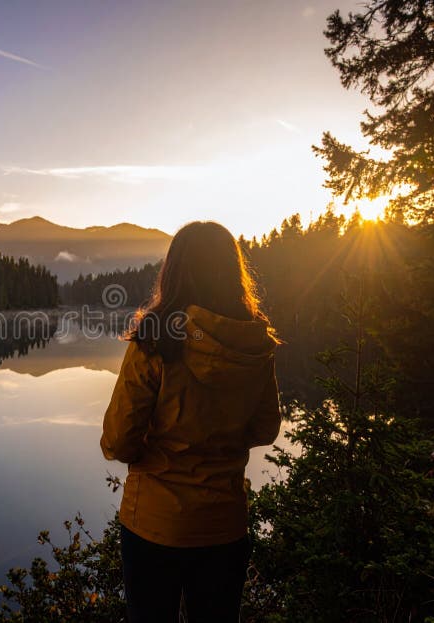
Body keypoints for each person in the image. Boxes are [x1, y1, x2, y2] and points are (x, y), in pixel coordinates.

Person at [100, 221, 282, 623]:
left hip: (153, 525)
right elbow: (266, 428)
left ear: (174, 271)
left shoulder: (155, 340)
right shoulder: (254, 342)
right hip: (224, 523)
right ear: (233, 272)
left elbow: (117, 441)